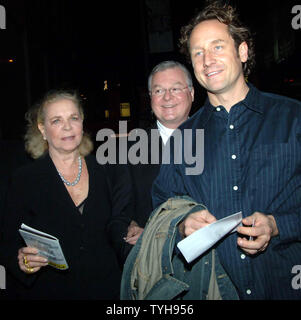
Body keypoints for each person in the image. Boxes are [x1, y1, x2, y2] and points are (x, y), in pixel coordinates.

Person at [152, 2, 301, 299]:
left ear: (242, 52)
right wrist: (182, 223)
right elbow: (161, 206)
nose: (207, 60)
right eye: (198, 52)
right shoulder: (183, 139)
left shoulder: (293, 117)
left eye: (217, 46)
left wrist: (277, 225)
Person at [1, 90, 122, 299]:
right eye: (56, 120)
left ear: (82, 122)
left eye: (73, 118)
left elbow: (117, 222)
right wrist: (21, 259)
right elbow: (6, 241)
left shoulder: (104, 170)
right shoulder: (23, 179)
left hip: (106, 289)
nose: (67, 127)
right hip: (48, 291)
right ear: (43, 129)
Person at [107, 61, 194, 265]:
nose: (167, 97)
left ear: (191, 92)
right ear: (150, 98)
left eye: (175, 88)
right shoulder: (127, 151)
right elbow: (117, 219)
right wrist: (133, 242)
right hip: (153, 271)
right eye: (158, 90)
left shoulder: (218, 141)